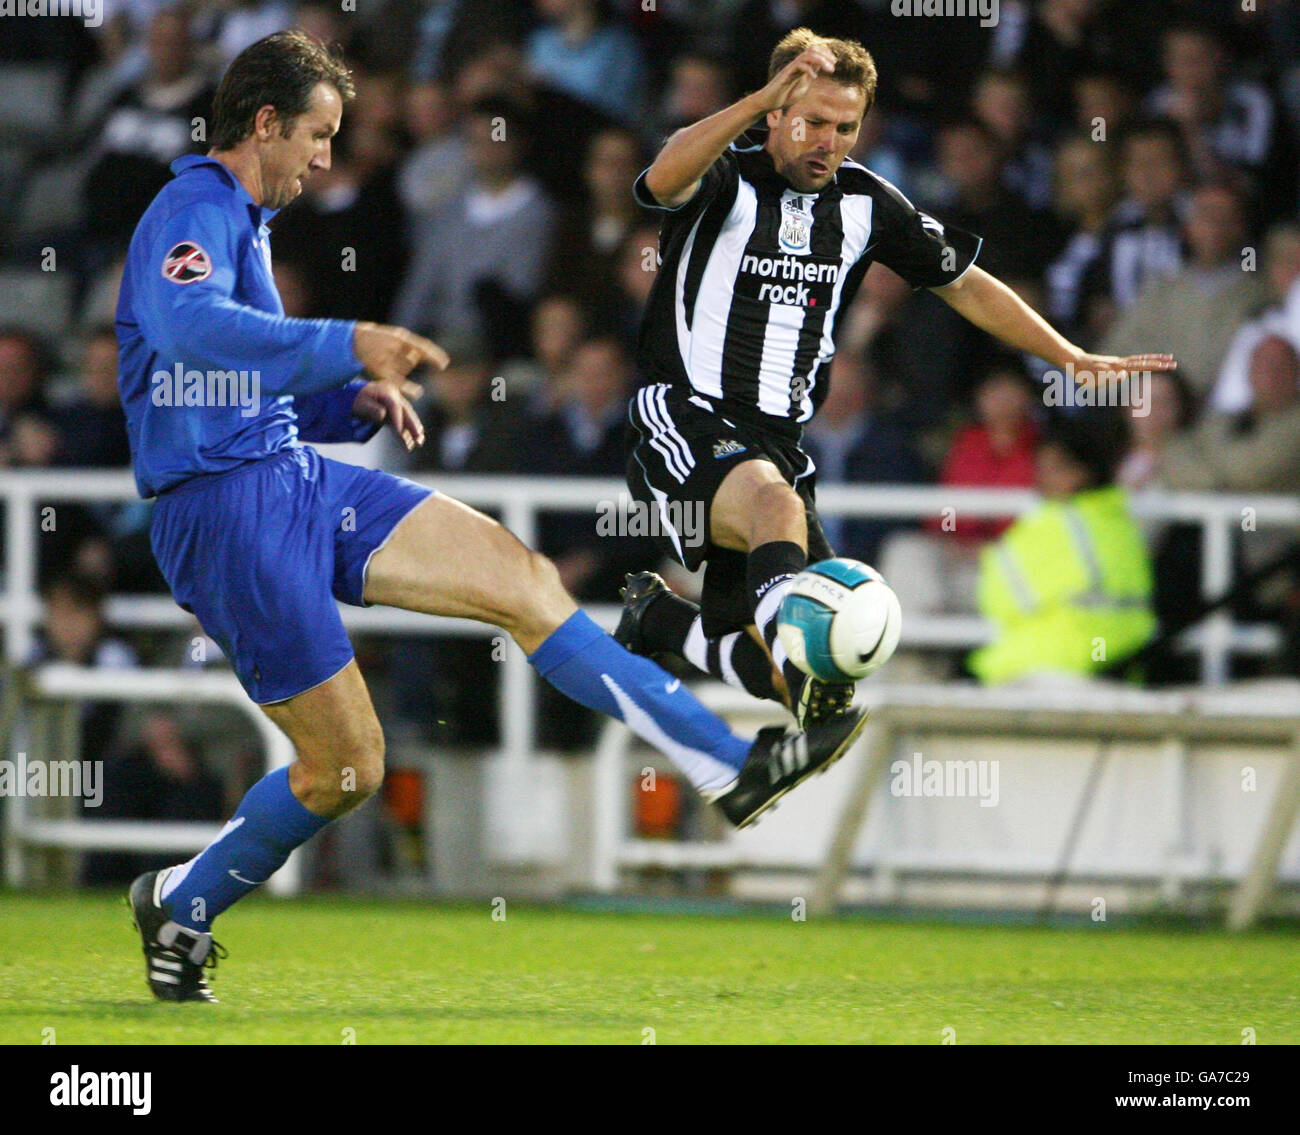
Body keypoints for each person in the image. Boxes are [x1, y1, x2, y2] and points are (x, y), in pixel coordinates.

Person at [118, 31, 865, 1004]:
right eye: (316, 135)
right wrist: (348, 341)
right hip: (221, 516)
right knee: (346, 770)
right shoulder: (191, 207)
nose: (326, 158)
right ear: (263, 123)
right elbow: (188, 331)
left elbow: (223, 378)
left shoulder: (243, 221)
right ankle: (180, 901)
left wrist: (351, 401)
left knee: (523, 578)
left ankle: (728, 764)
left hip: (295, 478)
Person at [616, 27, 1175, 728]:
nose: (829, 140)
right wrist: (753, 99)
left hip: (776, 446)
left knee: (831, 667)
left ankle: (665, 625)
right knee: (780, 523)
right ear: (775, 114)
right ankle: (744, 677)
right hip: (687, 416)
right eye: (813, 121)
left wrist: (1071, 358)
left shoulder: (867, 203)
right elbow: (662, 177)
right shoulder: (724, 177)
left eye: (845, 126)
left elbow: (968, 286)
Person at [968, 412, 1156, 686]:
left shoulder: (1054, 523)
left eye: (1052, 467)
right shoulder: (1123, 524)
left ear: (1080, 473)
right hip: (1123, 674)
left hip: (1049, 671)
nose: (1039, 477)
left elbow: (996, 600)